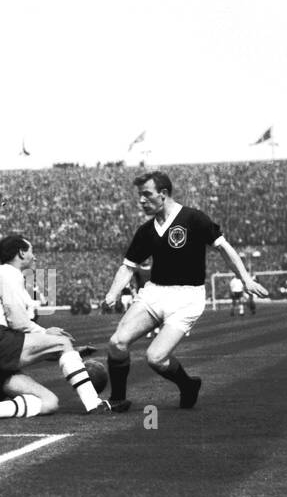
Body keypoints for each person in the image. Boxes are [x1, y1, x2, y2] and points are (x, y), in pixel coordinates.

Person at [102, 172, 267, 411]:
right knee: (117, 343)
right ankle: (118, 399)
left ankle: (188, 385)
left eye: (146, 194)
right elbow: (128, 267)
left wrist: (246, 279)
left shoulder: (193, 218)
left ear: (164, 194)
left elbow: (224, 248)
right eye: (139, 196)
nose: (141, 201)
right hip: (155, 292)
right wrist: (112, 293)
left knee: (155, 358)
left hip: (187, 297)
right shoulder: (146, 231)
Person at [0, 235, 109, 422]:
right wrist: (47, 335)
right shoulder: (8, 272)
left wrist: (68, 352)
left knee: (49, 402)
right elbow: (18, 322)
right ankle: (94, 404)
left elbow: (24, 343)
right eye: (31, 251)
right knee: (61, 341)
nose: (35, 256)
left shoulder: (0, 274)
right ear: (21, 252)